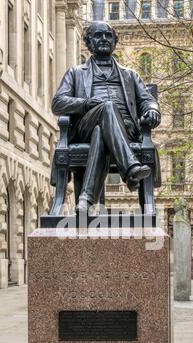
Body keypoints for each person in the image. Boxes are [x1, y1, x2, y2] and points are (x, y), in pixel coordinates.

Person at [51, 21, 161, 211]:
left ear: (114, 42)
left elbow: (147, 100)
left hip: (125, 130)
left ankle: (86, 198)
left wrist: (152, 110)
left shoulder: (130, 75)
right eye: (98, 35)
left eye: (108, 36)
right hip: (85, 125)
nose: (104, 39)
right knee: (107, 107)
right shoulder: (76, 73)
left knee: (101, 131)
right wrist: (85, 103)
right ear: (88, 42)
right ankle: (131, 168)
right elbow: (58, 103)